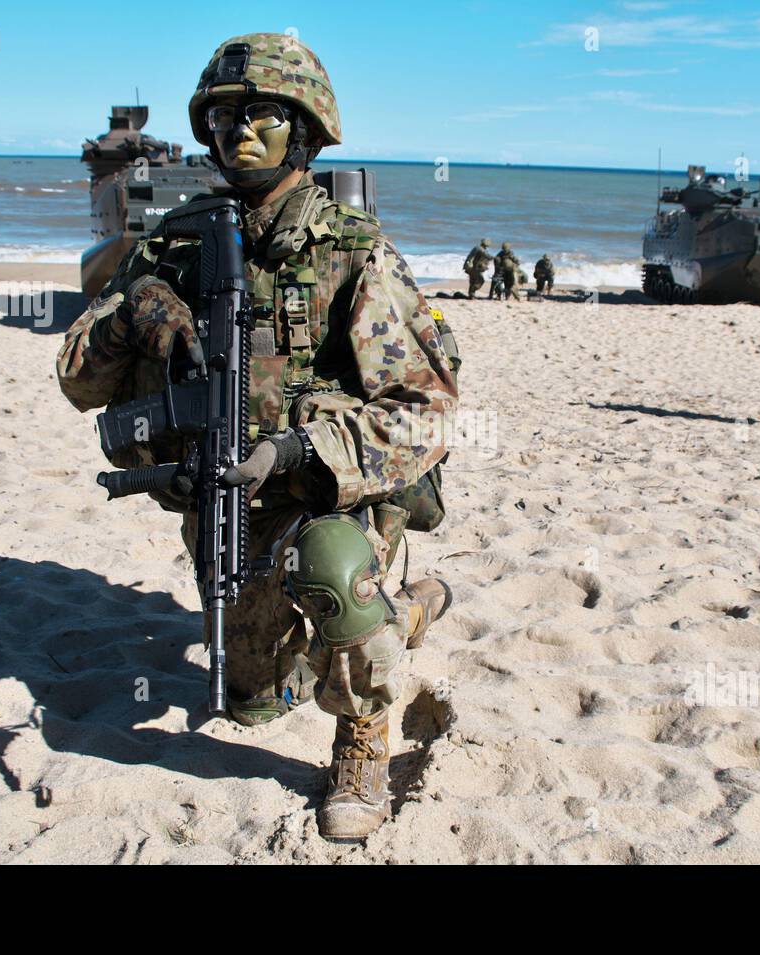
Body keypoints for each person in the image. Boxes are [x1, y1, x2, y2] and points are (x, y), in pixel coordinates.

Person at [55, 33, 458, 840]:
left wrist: (300, 449)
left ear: (304, 131)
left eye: (264, 114)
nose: (240, 130)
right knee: (254, 698)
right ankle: (405, 613)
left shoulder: (353, 251)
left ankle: (363, 741)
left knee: (337, 570)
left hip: (330, 496)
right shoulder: (175, 243)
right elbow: (76, 379)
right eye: (225, 115)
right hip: (229, 507)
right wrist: (136, 311)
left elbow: (425, 411)